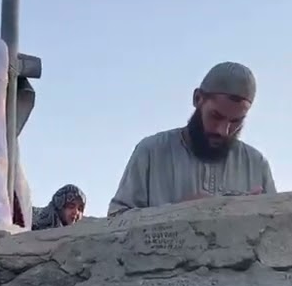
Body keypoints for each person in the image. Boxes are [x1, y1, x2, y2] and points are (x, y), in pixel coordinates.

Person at [108, 62, 276, 216]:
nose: (223, 131)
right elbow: (115, 223)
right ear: (198, 99)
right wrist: (181, 211)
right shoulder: (150, 152)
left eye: (236, 121)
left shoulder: (256, 165)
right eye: (216, 116)